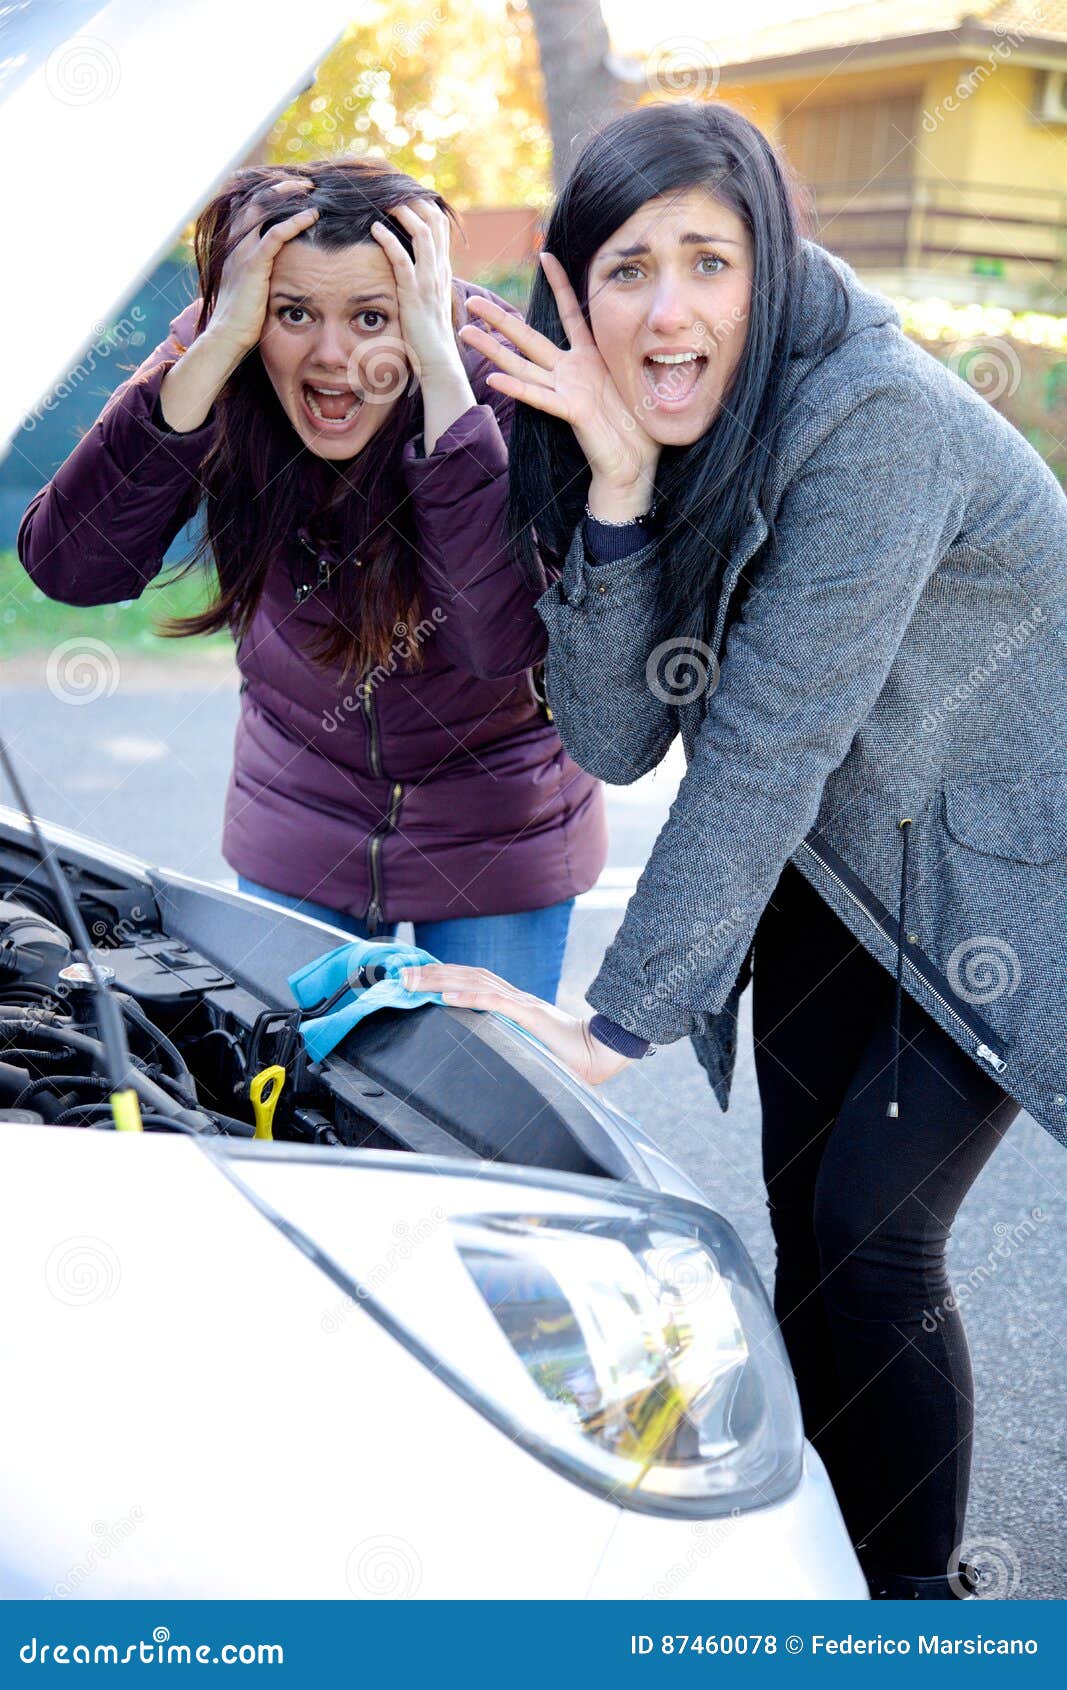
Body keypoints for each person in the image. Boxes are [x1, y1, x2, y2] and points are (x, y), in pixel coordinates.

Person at [400, 100, 1067, 1599]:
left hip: (1008, 877)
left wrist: (609, 1025)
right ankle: (822, 1572)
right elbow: (624, 735)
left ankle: (906, 1611)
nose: (669, 307)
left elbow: (763, 744)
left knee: (869, 1237)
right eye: (627, 268)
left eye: (710, 259)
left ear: (770, 264)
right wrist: (622, 499)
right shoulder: (654, 425)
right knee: (806, 1242)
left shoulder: (872, 421)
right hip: (839, 865)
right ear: (570, 291)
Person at [18, 161, 608, 1001]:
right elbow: (70, 567)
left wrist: (442, 380)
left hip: (497, 829)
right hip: (299, 815)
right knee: (289, 1101)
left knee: (484, 1112)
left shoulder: (490, 363)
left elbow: (498, 641)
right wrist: (217, 346)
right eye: (293, 312)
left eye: (372, 316)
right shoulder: (221, 348)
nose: (333, 358)